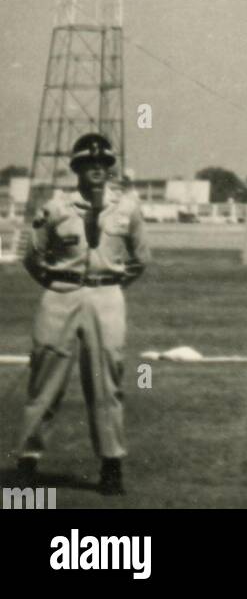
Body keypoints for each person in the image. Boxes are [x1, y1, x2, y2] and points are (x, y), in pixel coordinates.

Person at [14, 133, 150, 496]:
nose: (97, 170)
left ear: (110, 169)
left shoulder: (126, 207)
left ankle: (111, 465)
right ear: (76, 169)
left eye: (103, 164)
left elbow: (140, 258)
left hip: (106, 295)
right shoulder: (57, 207)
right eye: (89, 165)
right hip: (61, 294)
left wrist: (108, 286)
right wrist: (58, 283)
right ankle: (27, 461)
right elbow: (33, 256)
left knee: (107, 380)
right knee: (45, 380)